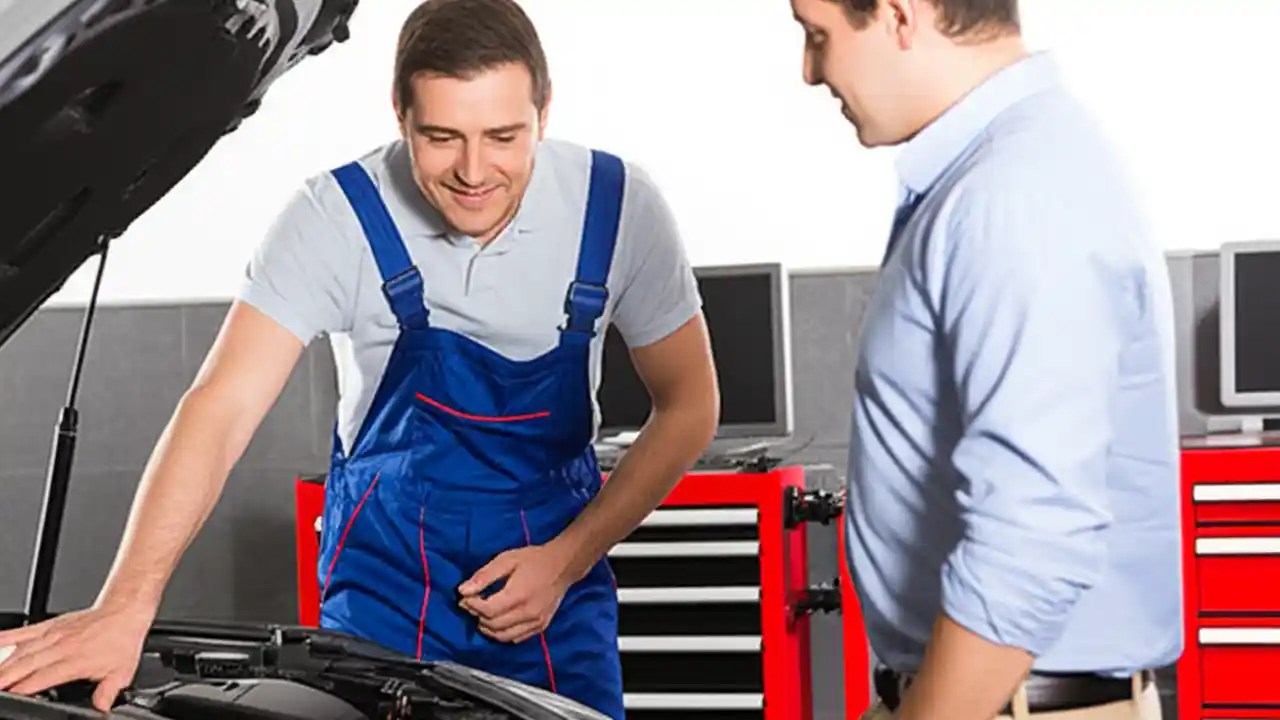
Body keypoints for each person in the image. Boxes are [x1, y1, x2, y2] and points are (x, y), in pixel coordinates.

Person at [0, 0, 720, 717]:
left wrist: (568, 559)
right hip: (385, 598)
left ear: (545, 110)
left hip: (556, 598)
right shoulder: (333, 218)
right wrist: (125, 607)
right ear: (399, 113)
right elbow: (221, 407)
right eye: (441, 137)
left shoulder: (618, 206)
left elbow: (690, 405)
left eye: (503, 135)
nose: (474, 171)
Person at [788, 0, 1182, 718]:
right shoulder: (996, 174)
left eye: (819, 37)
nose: (810, 71)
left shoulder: (1018, 192)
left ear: (901, 16)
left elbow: (1031, 540)